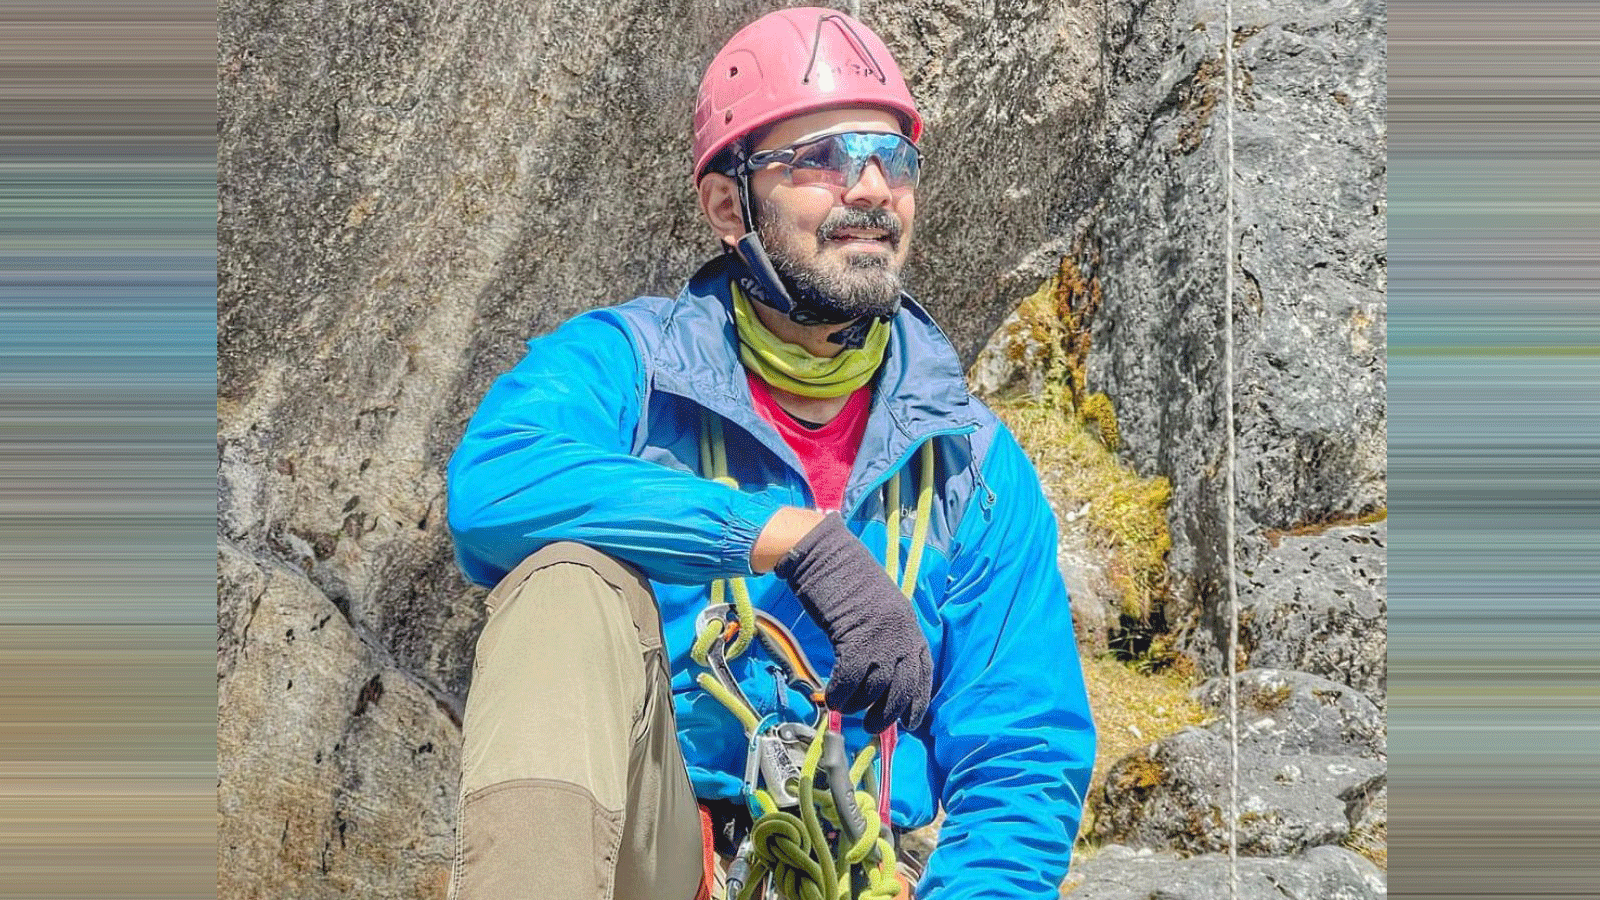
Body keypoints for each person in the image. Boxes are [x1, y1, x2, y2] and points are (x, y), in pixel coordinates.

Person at [445, 8, 1094, 900]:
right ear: (727, 204)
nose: (870, 188)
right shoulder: (628, 370)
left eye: (893, 159)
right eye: (823, 158)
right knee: (565, 588)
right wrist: (790, 539)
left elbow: (1021, 760)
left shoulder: (970, 464)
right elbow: (492, 482)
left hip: (864, 872)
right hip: (667, 862)